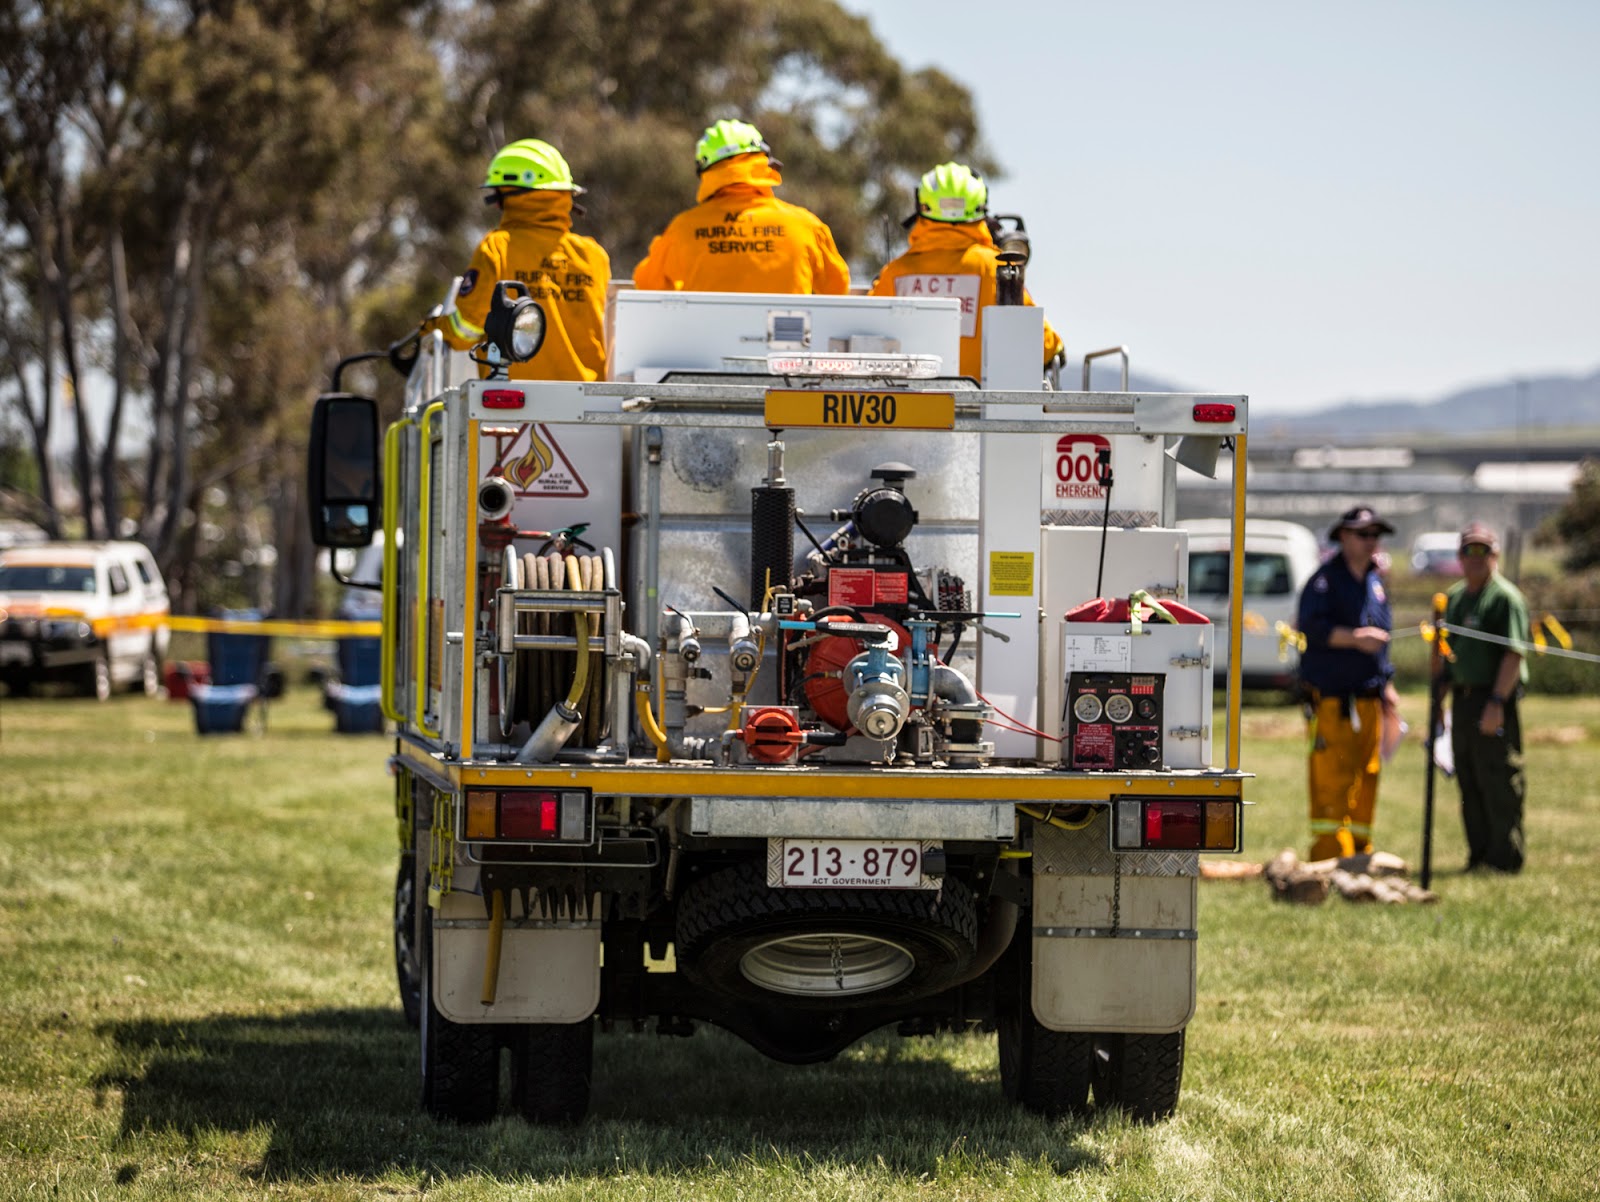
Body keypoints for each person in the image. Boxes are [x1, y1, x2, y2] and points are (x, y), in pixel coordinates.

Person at [869, 161, 1063, 381]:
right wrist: (1056, 349)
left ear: (921, 205)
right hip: (984, 410)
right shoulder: (997, 267)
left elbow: (865, 338)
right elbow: (1042, 344)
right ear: (981, 207)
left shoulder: (895, 273)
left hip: (909, 411)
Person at [435, 139, 609, 381]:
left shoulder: (497, 247)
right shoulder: (594, 256)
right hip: (587, 405)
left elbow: (465, 332)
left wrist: (433, 329)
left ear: (510, 195)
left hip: (511, 405)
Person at [632, 119, 850, 295]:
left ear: (706, 172)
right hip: (786, 350)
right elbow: (837, 289)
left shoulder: (683, 229)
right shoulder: (805, 226)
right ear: (764, 161)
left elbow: (647, 284)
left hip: (705, 349)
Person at [1295, 506, 1401, 860]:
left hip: (1370, 698)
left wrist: (1387, 685)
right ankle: (1328, 856)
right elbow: (1312, 628)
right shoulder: (1324, 581)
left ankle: (1359, 851)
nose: (1371, 541)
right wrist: (1356, 638)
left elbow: (1382, 638)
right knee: (1331, 777)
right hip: (1332, 700)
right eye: (1363, 534)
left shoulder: (1375, 581)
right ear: (1343, 536)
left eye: (1375, 535)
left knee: (1367, 774)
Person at [1440, 522, 1530, 872]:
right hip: (1461, 701)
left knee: (1498, 779)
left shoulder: (1506, 599)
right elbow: (1448, 655)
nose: (1475, 558)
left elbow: (1513, 653)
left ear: (1495, 555)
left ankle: (1504, 858)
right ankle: (1477, 856)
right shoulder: (1454, 598)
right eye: (1468, 550)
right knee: (1469, 778)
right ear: (1460, 557)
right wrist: (1440, 702)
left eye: (1483, 550)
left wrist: (1495, 704)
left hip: (1493, 699)